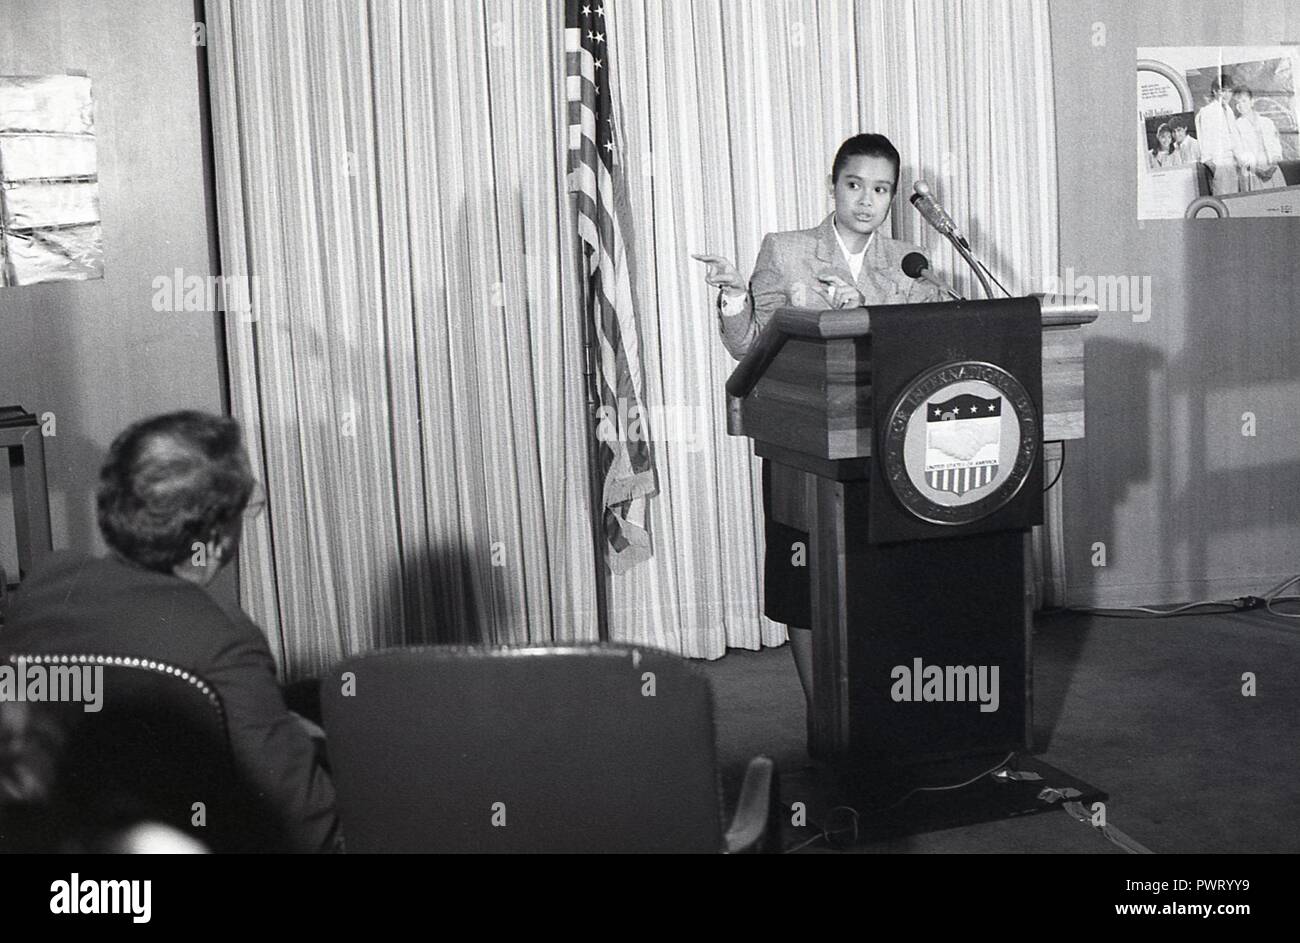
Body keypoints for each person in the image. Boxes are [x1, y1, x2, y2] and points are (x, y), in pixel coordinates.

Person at [0, 411, 339, 852]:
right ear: (216, 537)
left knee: (308, 694)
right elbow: (305, 821)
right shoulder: (225, 636)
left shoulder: (45, 583)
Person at [692, 133, 942, 720]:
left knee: (879, 586)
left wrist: (864, 310)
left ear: (892, 198)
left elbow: (922, 346)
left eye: (881, 189)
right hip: (799, 447)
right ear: (833, 185)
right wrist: (734, 298)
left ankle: (880, 713)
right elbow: (750, 346)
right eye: (854, 184)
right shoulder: (785, 250)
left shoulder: (908, 265)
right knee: (804, 586)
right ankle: (822, 716)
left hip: (882, 446)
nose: (866, 199)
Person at [1194, 76, 1243, 195]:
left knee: (1235, 199)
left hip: (1232, 163)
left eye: (1229, 91)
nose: (1226, 94)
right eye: (1223, 90)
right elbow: (1203, 140)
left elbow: (1233, 138)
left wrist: (1239, 160)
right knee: (1221, 200)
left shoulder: (1229, 110)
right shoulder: (1207, 111)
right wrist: (1213, 167)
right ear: (1215, 91)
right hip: (1218, 163)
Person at [1232, 85, 1287, 191]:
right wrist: (1257, 170)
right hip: (1252, 173)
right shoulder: (1236, 126)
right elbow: (1238, 152)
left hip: (1272, 170)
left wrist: (1273, 167)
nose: (1240, 105)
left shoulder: (1267, 122)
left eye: (1244, 101)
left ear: (1252, 101)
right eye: (1237, 103)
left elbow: (1276, 146)